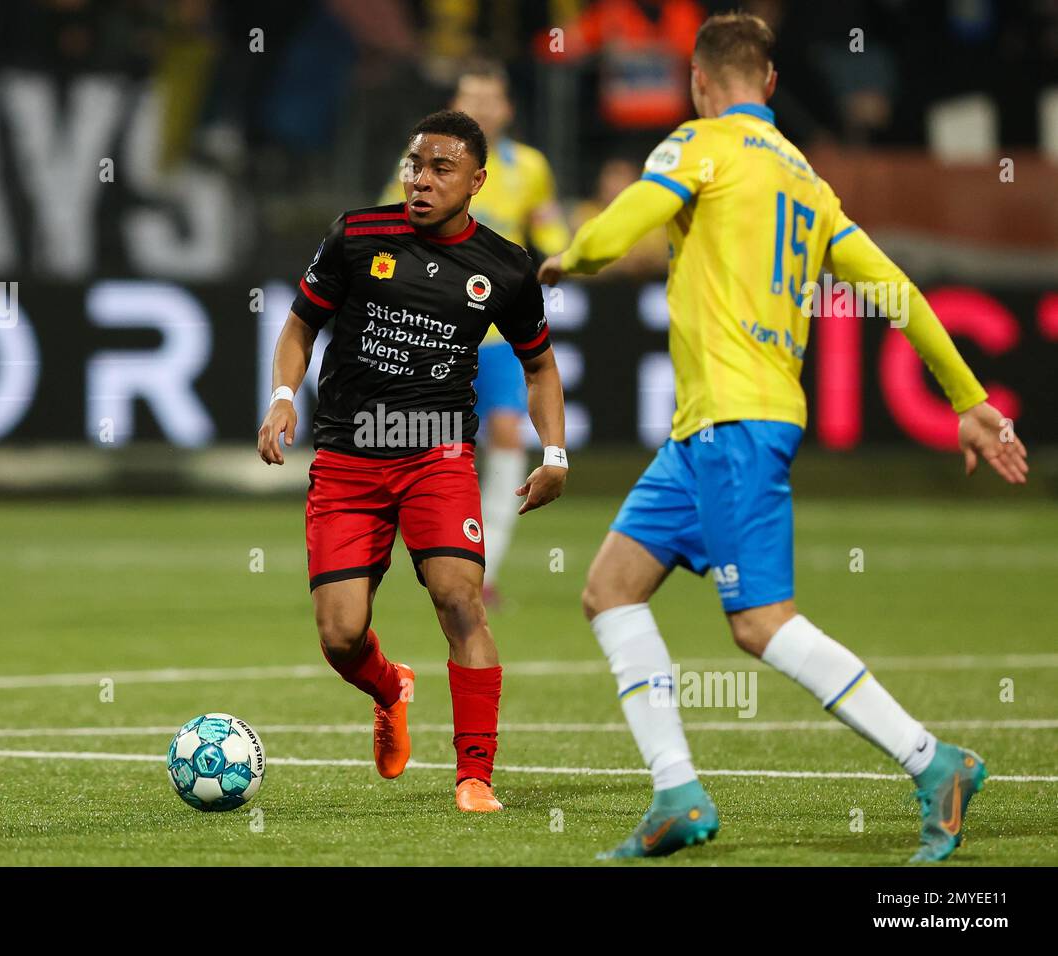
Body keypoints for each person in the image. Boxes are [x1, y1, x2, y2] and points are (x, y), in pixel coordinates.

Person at [539, 12, 1027, 861]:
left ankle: (934, 761)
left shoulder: (696, 145)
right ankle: (677, 792)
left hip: (736, 422)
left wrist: (561, 260)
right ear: (768, 84)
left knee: (761, 623)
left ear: (698, 81)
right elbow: (899, 291)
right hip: (705, 433)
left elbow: (617, 232)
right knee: (610, 589)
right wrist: (968, 397)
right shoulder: (809, 180)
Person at [259, 110, 568, 812]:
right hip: (346, 456)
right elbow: (301, 324)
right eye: (414, 166)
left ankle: (474, 776)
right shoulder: (357, 235)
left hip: (437, 454)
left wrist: (555, 453)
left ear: (477, 182)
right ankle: (390, 685)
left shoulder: (506, 266)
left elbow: (540, 368)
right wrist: (283, 395)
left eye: (440, 170)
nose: (421, 181)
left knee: (459, 598)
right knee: (340, 636)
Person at [384, 60, 569, 608]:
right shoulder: (420, 162)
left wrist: (569, 250)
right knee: (426, 443)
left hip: (498, 333)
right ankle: (421, 549)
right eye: (472, 97)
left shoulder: (530, 167)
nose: (483, 107)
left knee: (508, 438)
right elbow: (385, 224)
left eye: (491, 98)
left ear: (507, 109)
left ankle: (482, 568)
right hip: (434, 328)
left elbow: (548, 222)